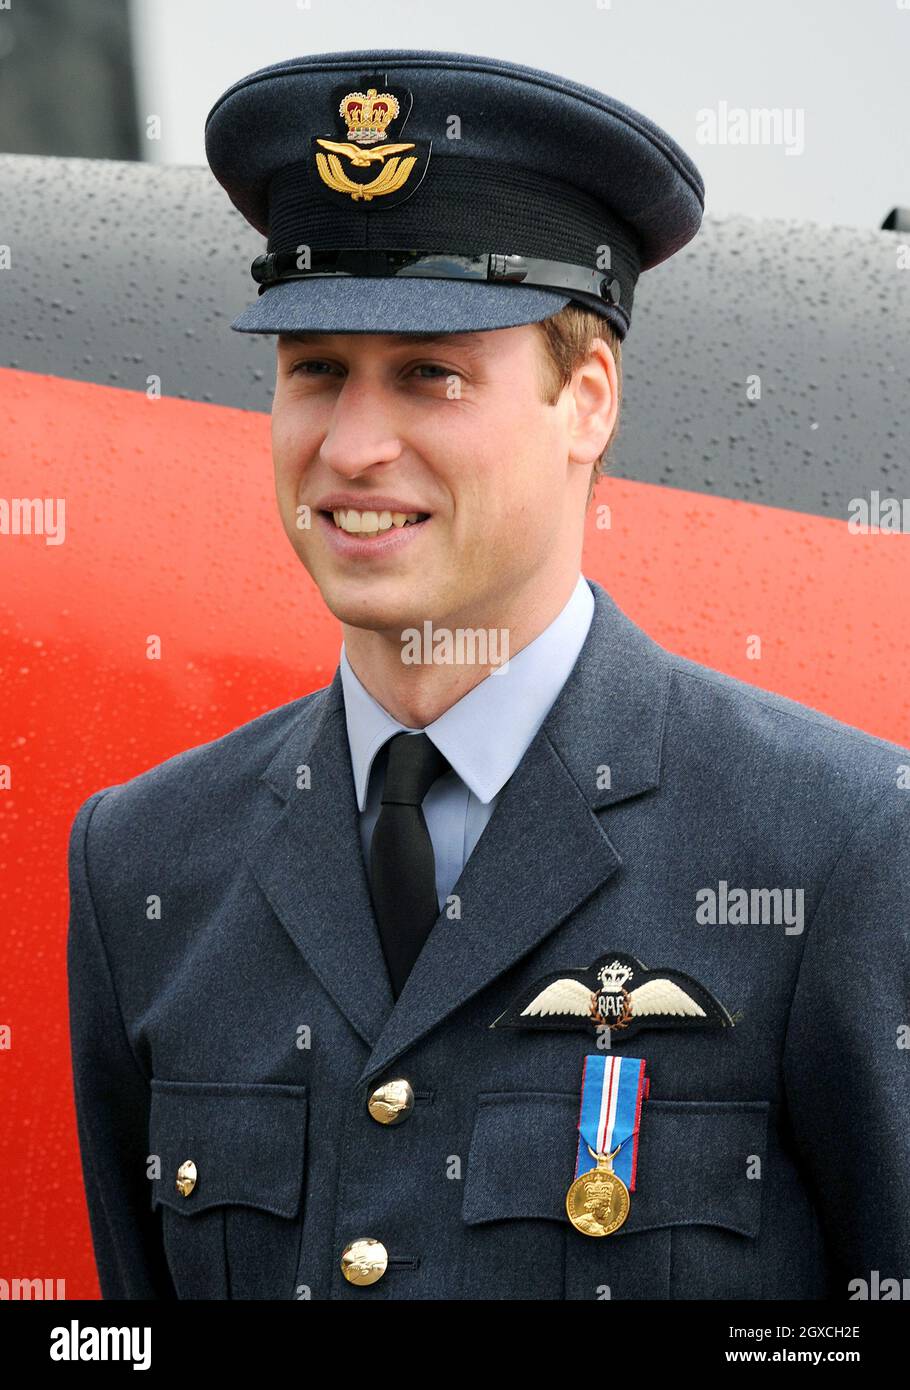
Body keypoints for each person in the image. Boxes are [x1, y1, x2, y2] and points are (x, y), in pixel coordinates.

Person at [66, 48, 910, 1301]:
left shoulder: (833, 847)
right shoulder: (143, 862)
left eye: (430, 375)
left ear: (586, 399)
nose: (351, 447)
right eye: (314, 371)